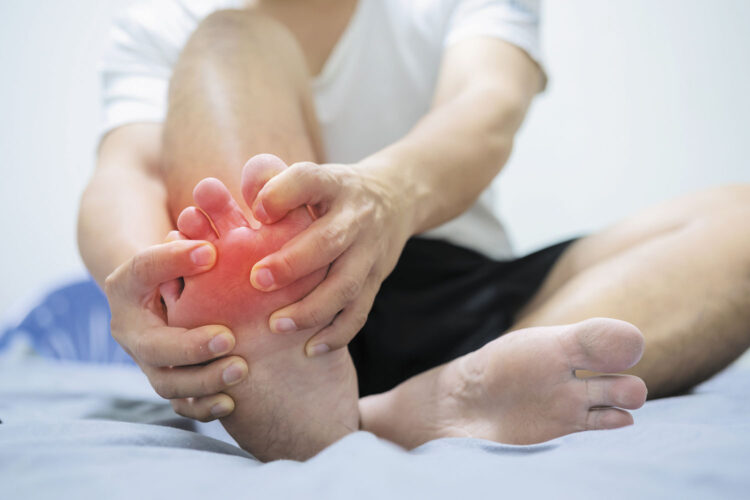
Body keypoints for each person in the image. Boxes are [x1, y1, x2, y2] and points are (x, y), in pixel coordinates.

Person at [78, 0, 749, 461]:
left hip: (469, 292)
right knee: (231, 41)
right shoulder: (167, 20)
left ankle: (455, 391)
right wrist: (148, 283)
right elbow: (124, 174)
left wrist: (385, 194)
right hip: (282, 319)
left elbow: (486, 104)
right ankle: (314, 393)